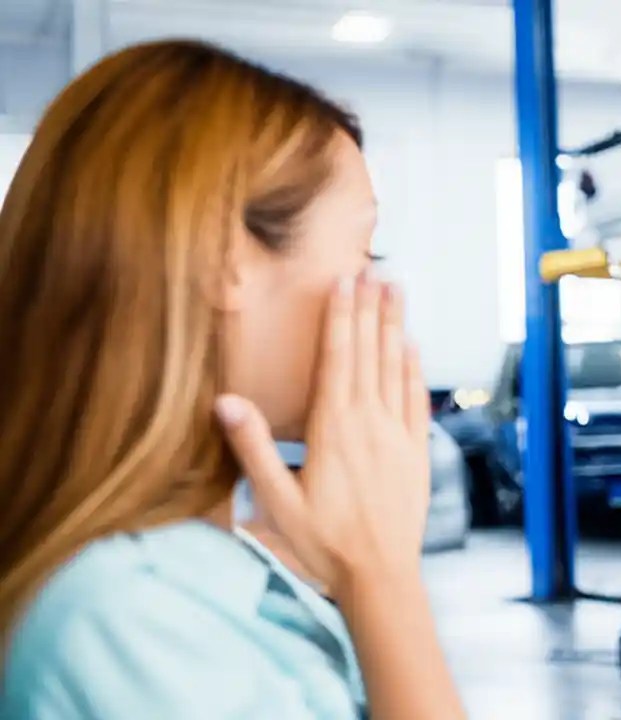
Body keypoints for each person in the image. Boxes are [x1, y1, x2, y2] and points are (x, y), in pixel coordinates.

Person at [0, 40, 466, 719]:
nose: (379, 291)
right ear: (223, 257)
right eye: (365, 249)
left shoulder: (204, 572)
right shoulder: (131, 619)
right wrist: (384, 580)